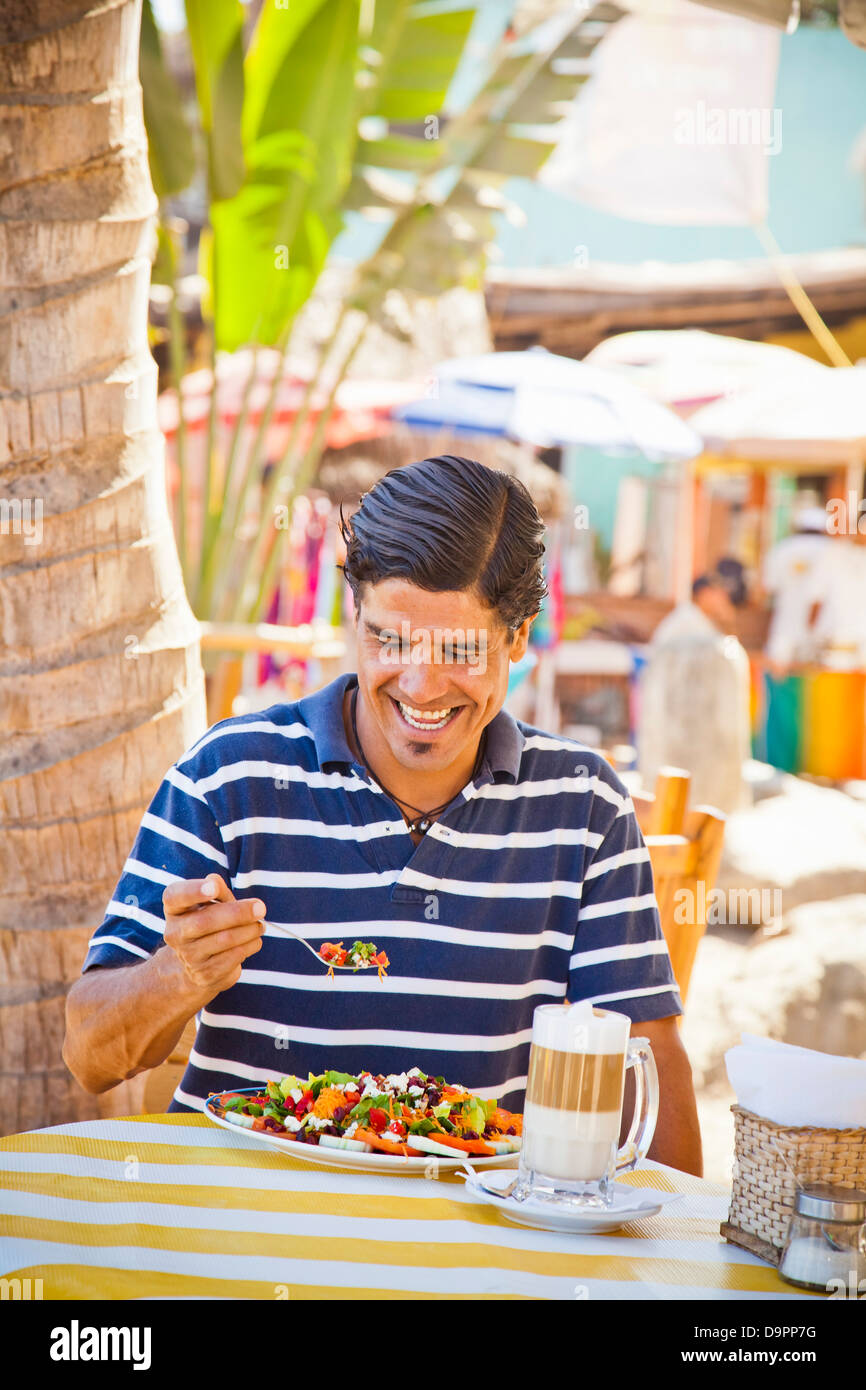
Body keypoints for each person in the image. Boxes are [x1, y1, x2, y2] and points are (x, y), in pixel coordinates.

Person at [63, 455, 702, 1175]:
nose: (421, 685)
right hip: (238, 1226)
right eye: (389, 640)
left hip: (474, 1243)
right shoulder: (229, 777)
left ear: (520, 638)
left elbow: (645, 1054)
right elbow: (90, 1059)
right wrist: (179, 975)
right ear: (352, 615)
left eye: (460, 649)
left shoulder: (583, 808)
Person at [638, 569, 751, 816]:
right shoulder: (682, 628)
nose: (724, 599)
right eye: (719, 593)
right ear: (705, 594)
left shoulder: (704, 628)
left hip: (700, 732)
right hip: (679, 730)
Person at [762, 505, 834, 676]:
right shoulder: (832, 550)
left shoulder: (782, 549)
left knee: (779, 679)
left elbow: (768, 588)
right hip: (821, 631)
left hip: (785, 626)